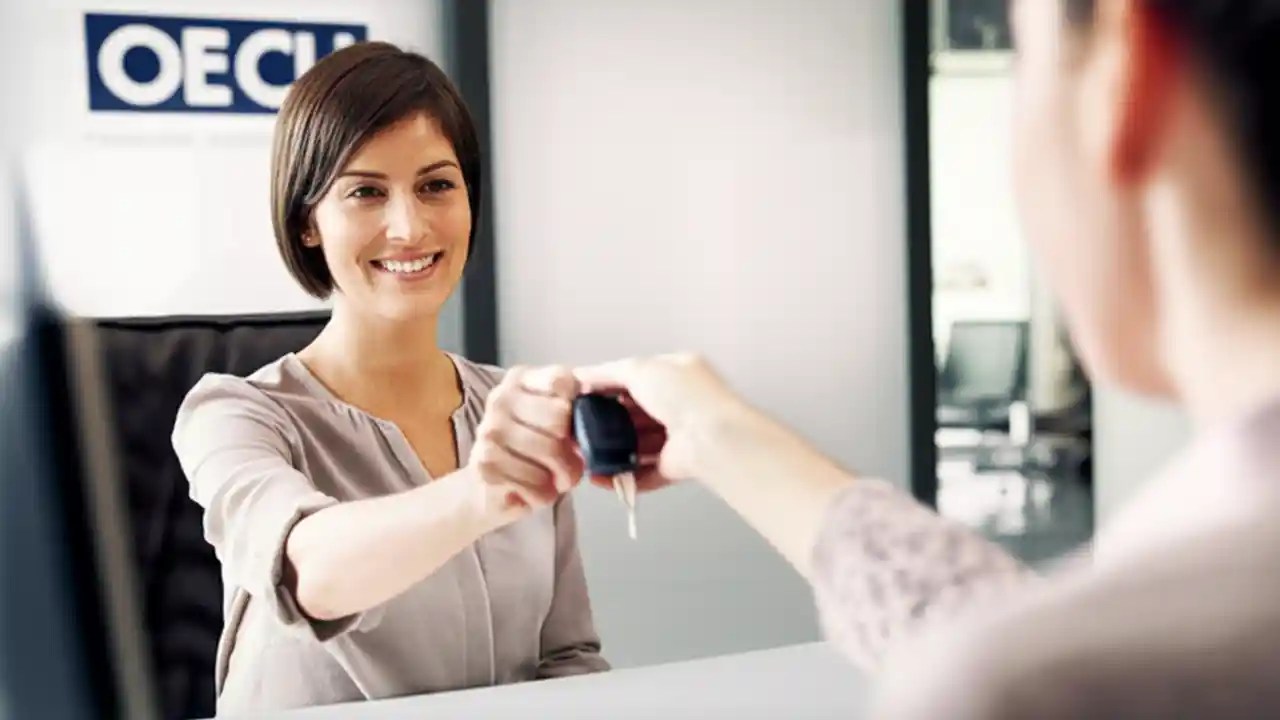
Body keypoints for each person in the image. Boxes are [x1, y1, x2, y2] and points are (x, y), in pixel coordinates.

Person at [573, 0, 1280, 716]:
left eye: (1022, 59)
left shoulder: (1050, 683)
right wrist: (718, 436)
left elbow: (1053, 668)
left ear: (1120, 75)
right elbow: (1021, 631)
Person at [171, 42, 607, 714]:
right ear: (307, 220)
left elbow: (567, 658)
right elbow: (307, 570)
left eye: (437, 185)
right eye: (365, 192)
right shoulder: (232, 414)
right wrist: (486, 492)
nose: (410, 226)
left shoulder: (510, 404)